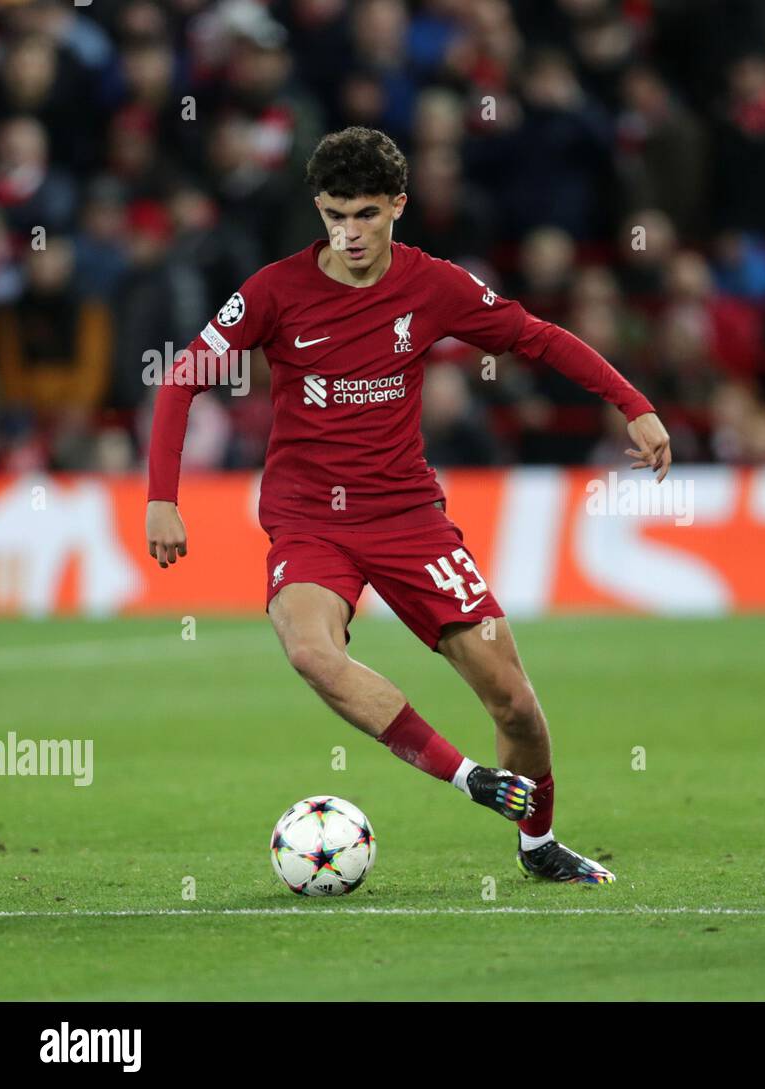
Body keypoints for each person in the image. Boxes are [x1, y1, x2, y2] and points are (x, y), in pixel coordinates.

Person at [146, 126, 671, 884]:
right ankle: (470, 781)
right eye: (333, 214)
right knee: (310, 651)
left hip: (409, 519)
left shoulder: (434, 285)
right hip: (309, 521)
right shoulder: (273, 290)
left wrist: (633, 404)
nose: (348, 233)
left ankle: (539, 844)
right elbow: (180, 378)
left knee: (515, 704)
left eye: (364, 214)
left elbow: (536, 338)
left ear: (398, 204)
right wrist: (163, 497)